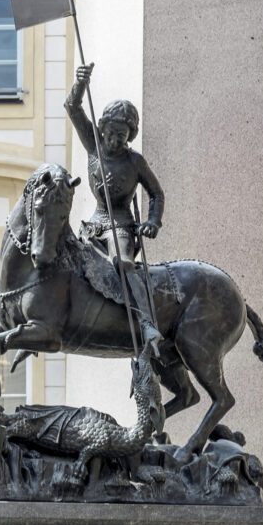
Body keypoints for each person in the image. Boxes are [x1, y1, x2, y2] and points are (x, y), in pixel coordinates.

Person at [64, 62, 164, 356]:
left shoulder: (134, 162)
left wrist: (152, 222)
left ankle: (146, 322)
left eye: (122, 134)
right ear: (103, 128)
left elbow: (156, 193)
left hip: (120, 225)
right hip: (93, 222)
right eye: (111, 132)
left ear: (130, 135)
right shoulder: (92, 145)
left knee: (123, 264)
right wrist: (81, 83)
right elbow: (73, 107)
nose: (115, 139)